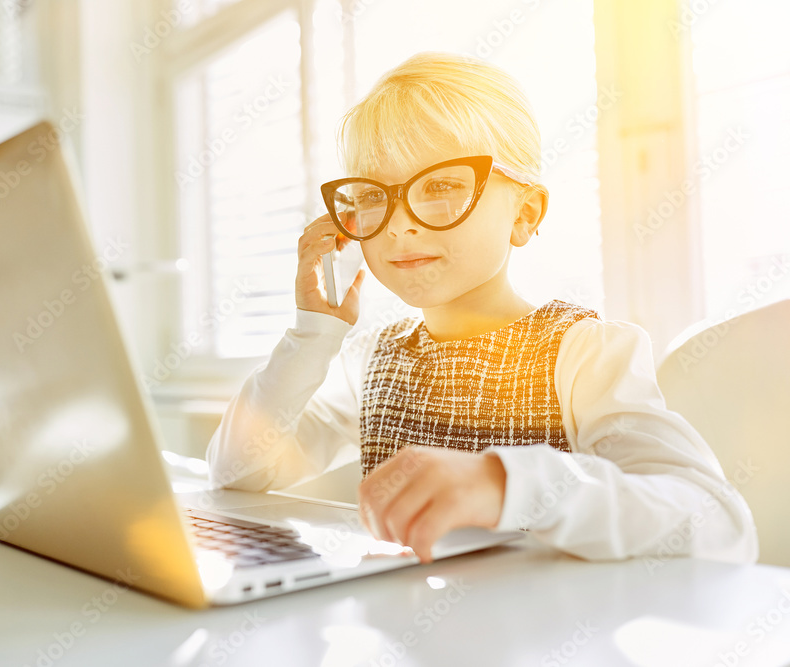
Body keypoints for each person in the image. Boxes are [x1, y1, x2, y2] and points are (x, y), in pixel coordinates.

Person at [205, 52, 758, 565]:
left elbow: (720, 524)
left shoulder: (584, 354)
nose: (399, 223)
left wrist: (507, 485)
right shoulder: (370, 362)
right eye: (373, 195)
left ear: (524, 214)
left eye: (441, 184)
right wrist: (312, 336)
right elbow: (237, 472)